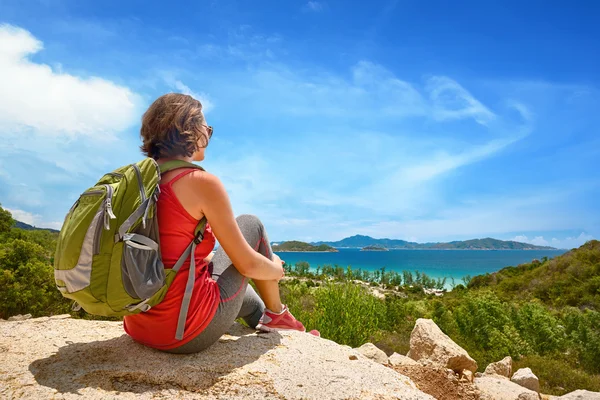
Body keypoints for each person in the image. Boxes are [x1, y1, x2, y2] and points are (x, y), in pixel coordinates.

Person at [123, 93, 315, 354]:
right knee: (251, 223)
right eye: (207, 128)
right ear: (189, 130)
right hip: (184, 334)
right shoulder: (201, 182)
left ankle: (276, 319)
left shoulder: (137, 183)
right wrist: (274, 269)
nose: (208, 135)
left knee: (251, 304)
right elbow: (247, 263)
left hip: (138, 325)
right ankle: (278, 316)